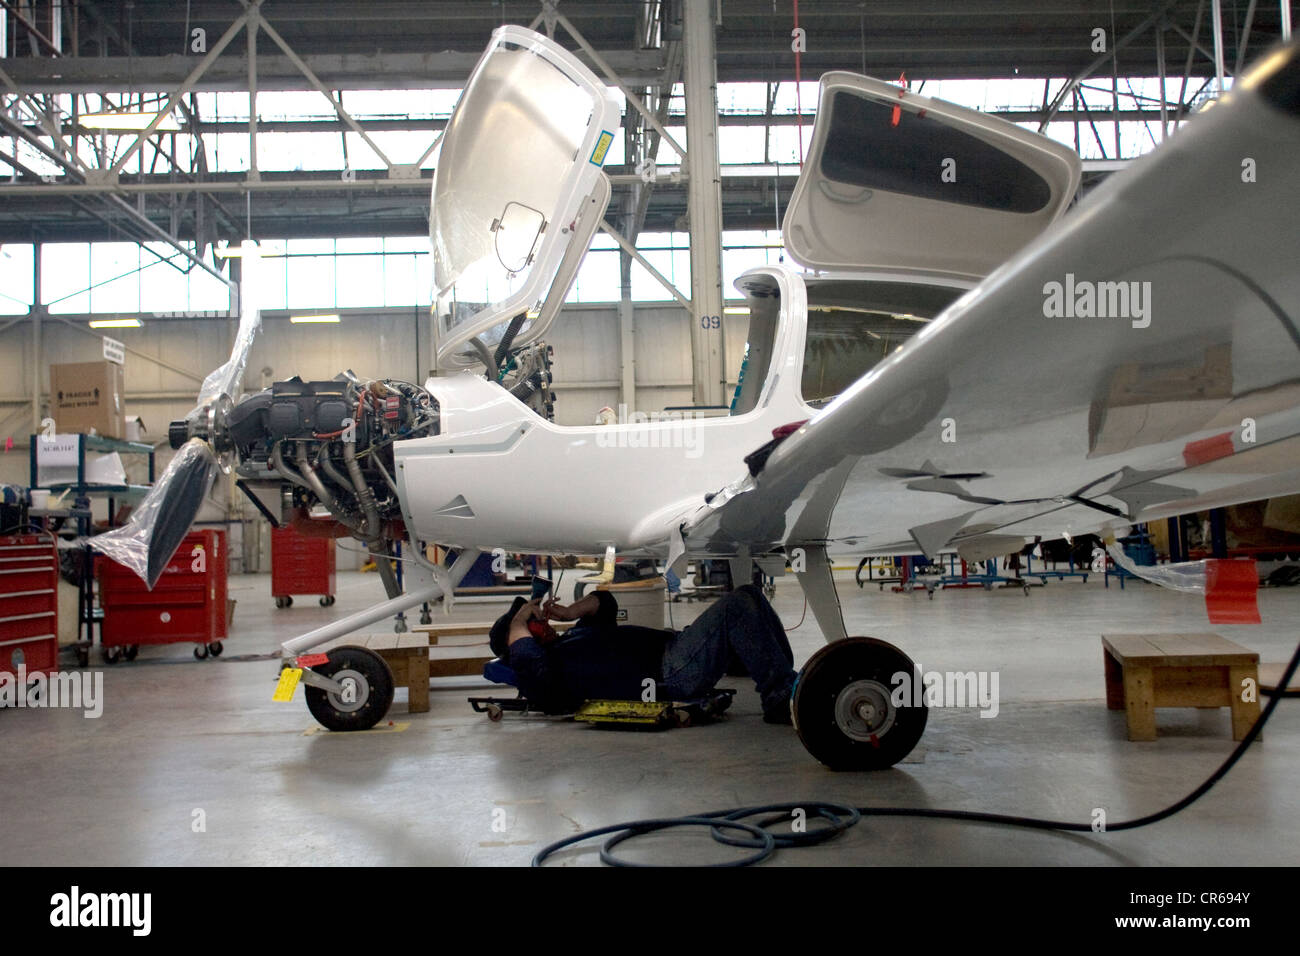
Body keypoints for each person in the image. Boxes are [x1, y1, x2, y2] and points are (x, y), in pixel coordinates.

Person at [488, 583, 797, 723]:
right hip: (673, 673)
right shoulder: (541, 669)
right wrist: (518, 623)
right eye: (534, 623)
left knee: (749, 593)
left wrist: (570, 611)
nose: (543, 622)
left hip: (676, 651)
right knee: (738, 605)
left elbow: (604, 603)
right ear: (523, 636)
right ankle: (778, 696)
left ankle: (786, 686)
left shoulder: (571, 639)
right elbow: (535, 673)